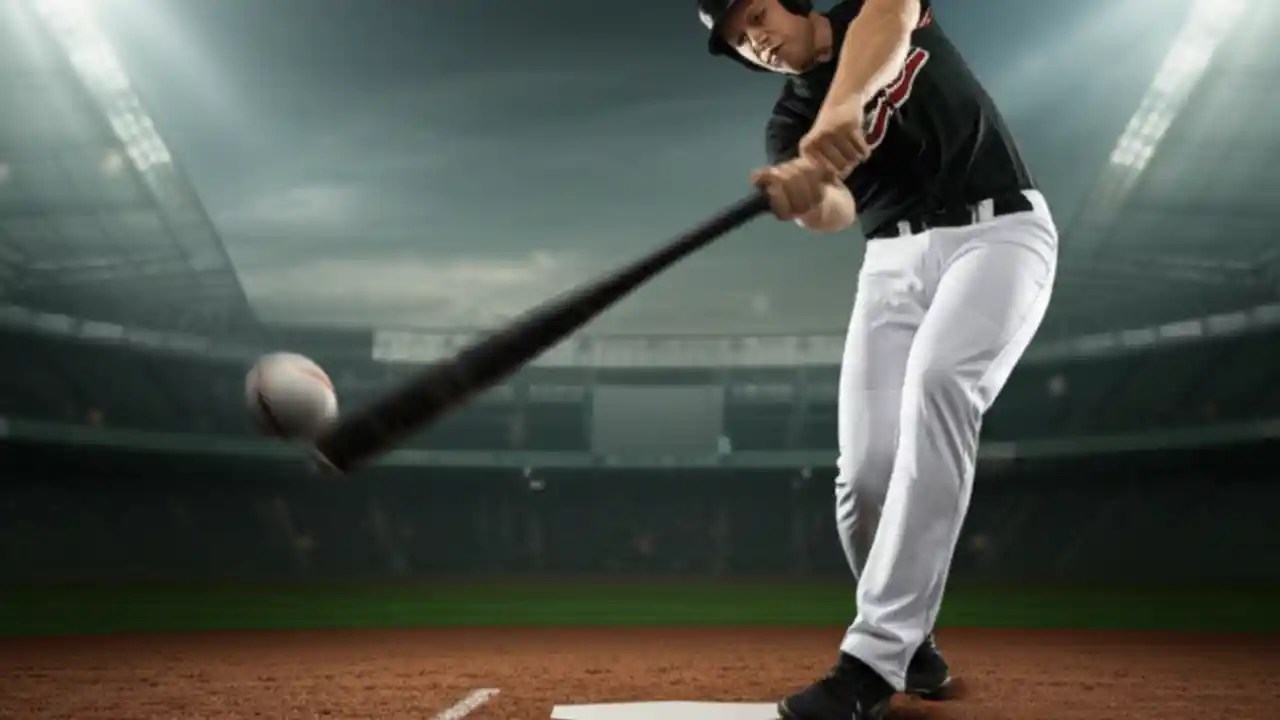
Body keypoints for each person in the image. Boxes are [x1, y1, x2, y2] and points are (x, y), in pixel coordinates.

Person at [694, 1, 1059, 718]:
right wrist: (804, 194)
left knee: (938, 385)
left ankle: (871, 660)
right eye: (738, 40)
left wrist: (843, 108)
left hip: (998, 234)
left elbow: (891, 18)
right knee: (863, 475)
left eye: (757, 14)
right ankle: (912, 642)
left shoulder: (869, 10)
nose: (755, 40)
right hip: (891, 263)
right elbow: (834, 212)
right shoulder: (787, 123)